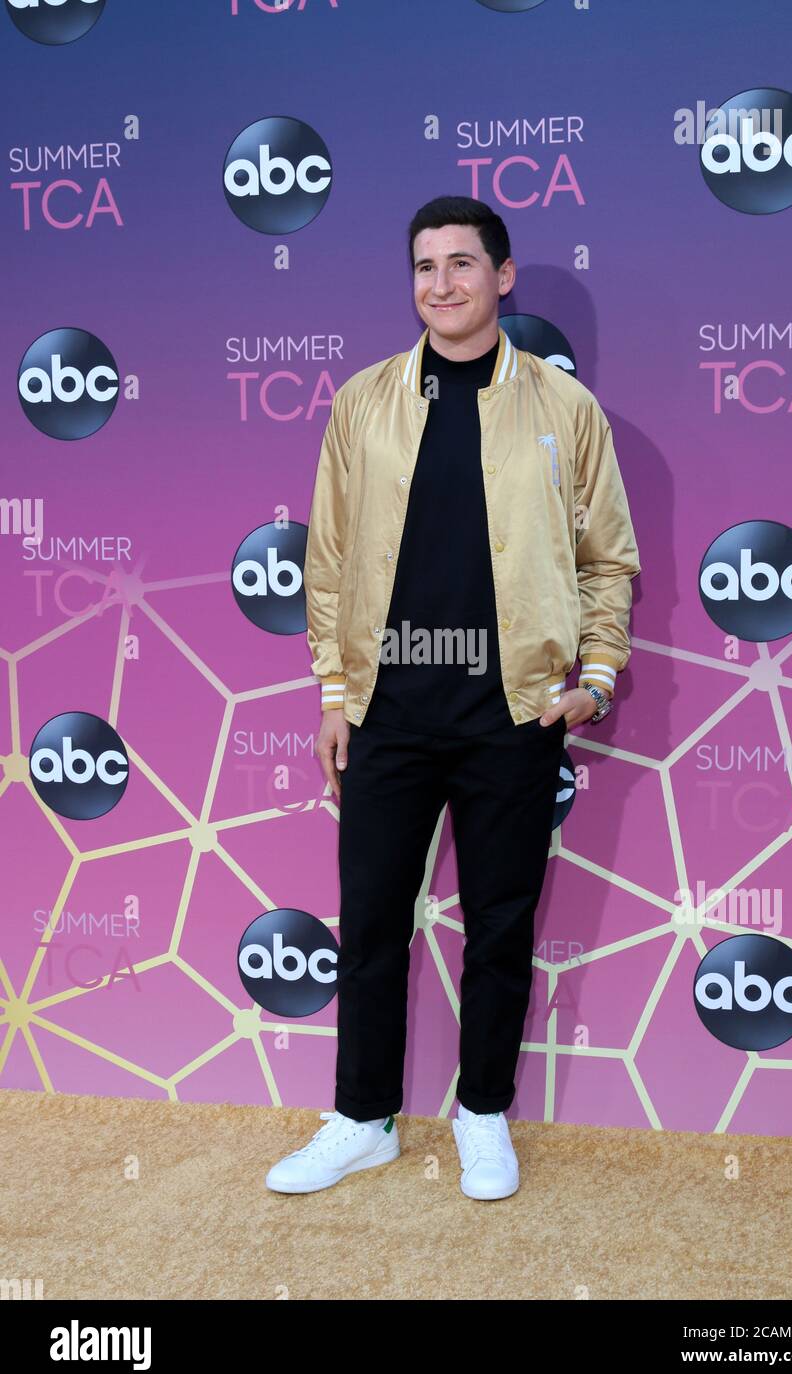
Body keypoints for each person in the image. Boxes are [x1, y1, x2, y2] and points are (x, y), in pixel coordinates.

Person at [266, 194, 640, 1200]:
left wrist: (594, 676)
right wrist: (334, 692)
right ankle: (362, 1117)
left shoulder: (564, 412)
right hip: (387, 712)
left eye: (461, 264)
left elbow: (607, 558)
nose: (442, 283)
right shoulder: (364, 401)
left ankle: (481, 1113)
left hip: (509, 713)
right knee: (372, 919)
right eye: (424, 266)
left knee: (500, 925)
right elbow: (332, 557)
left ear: (502, 276)